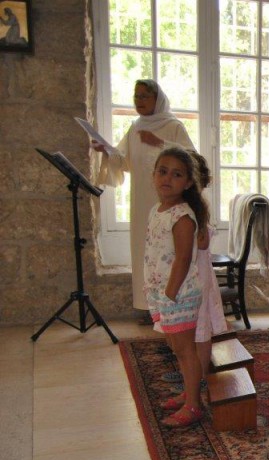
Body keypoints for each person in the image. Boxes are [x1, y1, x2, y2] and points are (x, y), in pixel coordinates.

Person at [94, 80, 195, 323]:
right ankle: (150, 307)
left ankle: (171, 305)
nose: (139, 101)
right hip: (142, 203)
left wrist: (159, 143)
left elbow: (192, 158)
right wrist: (107, 151)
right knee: (147, 253)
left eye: (144, 96)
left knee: (168, 253)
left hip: (169, 202)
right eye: (136, 96)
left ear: (157, 99)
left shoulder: (173, 126)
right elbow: (125, 161)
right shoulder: (135, 127)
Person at [144, 146, 207, 428]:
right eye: (162, 171)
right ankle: (188, 392)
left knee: (185, 350)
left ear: (188, 183)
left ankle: (194, 405)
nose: (167, 178)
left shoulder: (182, 216)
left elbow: (183, 258)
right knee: (176, 347)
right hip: (164, 292)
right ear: (153, 174)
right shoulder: (157, 210)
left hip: (179, 293)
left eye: (177, 174)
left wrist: (170, 293)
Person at [187, 150, 228, 381]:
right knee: (189, 331)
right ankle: (191, 370)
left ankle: (201, 375)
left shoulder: (196, 209)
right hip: (190, 276)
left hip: (197, 278)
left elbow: (201, 245)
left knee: (201, 330)